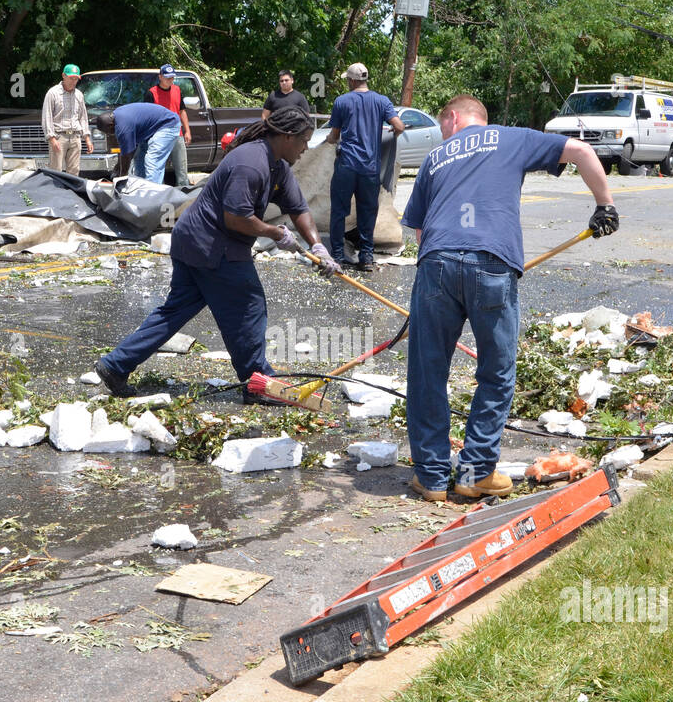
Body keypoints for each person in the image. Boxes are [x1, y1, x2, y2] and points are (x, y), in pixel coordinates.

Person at [400, 94, 619, 502]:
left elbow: (418, 232)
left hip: (436, 265)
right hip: (491, 265)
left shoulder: (435, 157)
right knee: (496, 371)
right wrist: (605, 205)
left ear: (452, 118)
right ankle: (475, 472)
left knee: (428, 372)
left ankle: (430, 478)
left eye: (442, 122)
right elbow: (581, 150)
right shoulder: (508, 137)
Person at [93, 107, 340, 404]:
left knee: (175, 310)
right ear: (287, 137)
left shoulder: (277, 165)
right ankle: (257, 382)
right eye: (304, 140)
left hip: (193, 240)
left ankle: (116, 365)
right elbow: (236, 218)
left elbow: (298, 209)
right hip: (211, 244)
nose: (306, 148)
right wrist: (275, 233)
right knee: (249, 306)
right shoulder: (250, 163)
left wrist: (317, 247)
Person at [323, 63, 405, 271]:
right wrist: (389, 137)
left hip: (347, 165)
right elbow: (399, 126)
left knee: (339, 211)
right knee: (367, 212)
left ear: (351, 80)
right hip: (370, 167)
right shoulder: (381, 101)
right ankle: (366, 258)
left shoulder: (342, 101)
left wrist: (329, 140)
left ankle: (338, 256)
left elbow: (334, 135)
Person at [97, 101, 181, 184]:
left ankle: (153, 193)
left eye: (108, 131)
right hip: (150, 130)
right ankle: (141, 188)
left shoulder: (122, 126)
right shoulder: (117, 116)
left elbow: (127, 155)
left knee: (152, 160)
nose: (110, 134)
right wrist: (118, 166)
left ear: (110, 125)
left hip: (167, 124)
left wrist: (121, 179)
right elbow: (124, 150)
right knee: (139, 160)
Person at [42, 64, 93, 175]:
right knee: (56, 170)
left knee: (74, 171)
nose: (73, 81)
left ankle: (71, 192)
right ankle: (55, 192)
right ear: (63, 76)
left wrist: (87, 138)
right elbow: (47, 116)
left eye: (76, 79)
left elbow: (83, 117)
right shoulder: (53, 93)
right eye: (71, 78)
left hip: (75, 137)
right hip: (59, 136)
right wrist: (52, 138)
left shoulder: (79, 95)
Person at [146, 64, 192, 187]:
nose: (170, 80)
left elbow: (182, 111)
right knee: (158, 167)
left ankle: (183, 192)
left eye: (172, 77)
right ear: (160, 77)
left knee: (181, 168)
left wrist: (187, 130)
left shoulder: (177, 90)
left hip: (177, 134)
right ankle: (158, 192)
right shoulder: (151, 93)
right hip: (159, 136)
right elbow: (148, 117)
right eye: (167, 77)